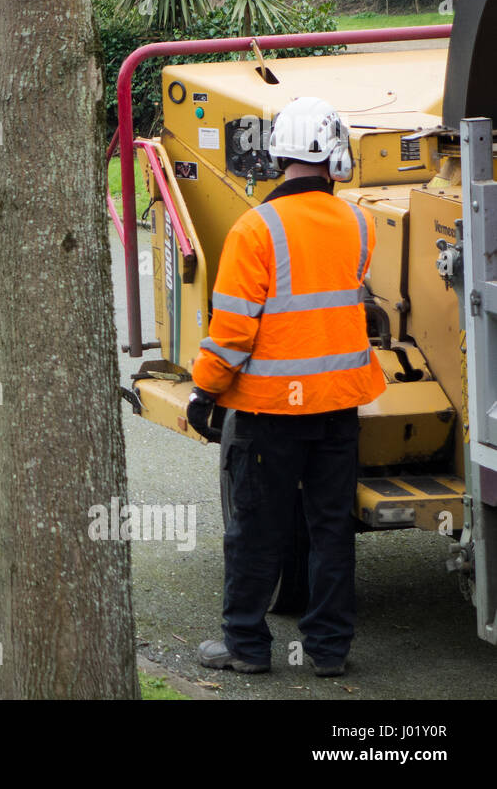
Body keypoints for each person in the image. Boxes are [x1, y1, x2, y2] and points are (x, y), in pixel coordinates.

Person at [187, 97, 386, 678]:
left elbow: (232, 333)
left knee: (254, 529)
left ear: (278, 154)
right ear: (334, 156)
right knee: (330, 529)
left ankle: (246, 647)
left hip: (268, 411)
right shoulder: (358, 222)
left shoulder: (254, 229)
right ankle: (329, 651)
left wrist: (204, 391)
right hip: (338, 408)